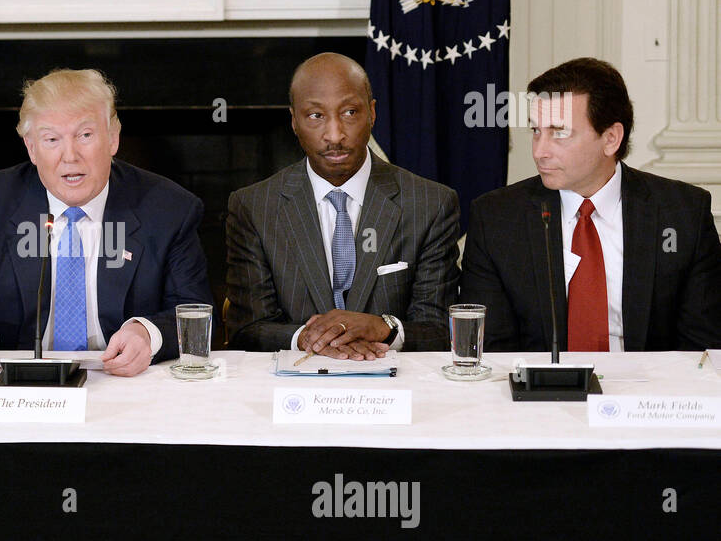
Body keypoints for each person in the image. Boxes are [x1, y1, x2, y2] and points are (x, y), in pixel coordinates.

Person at [0, 68, 211, 377]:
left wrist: (147, 333)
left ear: (112, 139)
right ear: (31, 148)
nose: (70, 156)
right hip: (17, 388)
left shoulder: (169, 209)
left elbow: (195, 312)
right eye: (52, 139)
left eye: (85, 135)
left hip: (124, 381)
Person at [460, 57, 721, 351]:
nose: (540, 151)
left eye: (559, 133)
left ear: (610, 138)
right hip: (536, 394)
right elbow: (491, 350)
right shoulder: (496, 218)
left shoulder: (683, 213)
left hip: (649, 392)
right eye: (535, 131)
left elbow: (702, 352)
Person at [225, 52, 460, 357]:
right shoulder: (254, 208)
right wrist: (309, 338)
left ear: (372, 113)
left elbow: (439, 329)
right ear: (294, 121)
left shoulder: (431, 204)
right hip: (292, 387)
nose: (334, 135)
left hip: (397, 385)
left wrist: (384, 328)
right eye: (315, 116)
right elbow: (247, 329)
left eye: (350, 112)